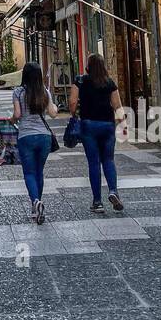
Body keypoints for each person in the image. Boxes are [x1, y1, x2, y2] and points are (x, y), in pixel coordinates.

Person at [68, 54, 124, 214]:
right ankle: (113, 191)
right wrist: (122, 125)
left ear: (88, 66)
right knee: (109, 160)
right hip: (107, 125)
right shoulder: (109, 82)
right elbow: (118, 106)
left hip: (89, 125)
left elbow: (72, 102)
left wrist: (74, 115)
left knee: (94, 163)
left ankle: (97, 201)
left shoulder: (80, 80)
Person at [11, 62, 58, 225]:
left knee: (29, 173)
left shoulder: (18, 92)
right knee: (39, 172)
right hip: (44, 137)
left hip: (26, 137)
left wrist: (12, 120)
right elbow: (53, 114)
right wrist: (56, 107)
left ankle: (35, 202)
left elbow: (17, 114)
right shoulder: (44, 92)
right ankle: (38, 203)